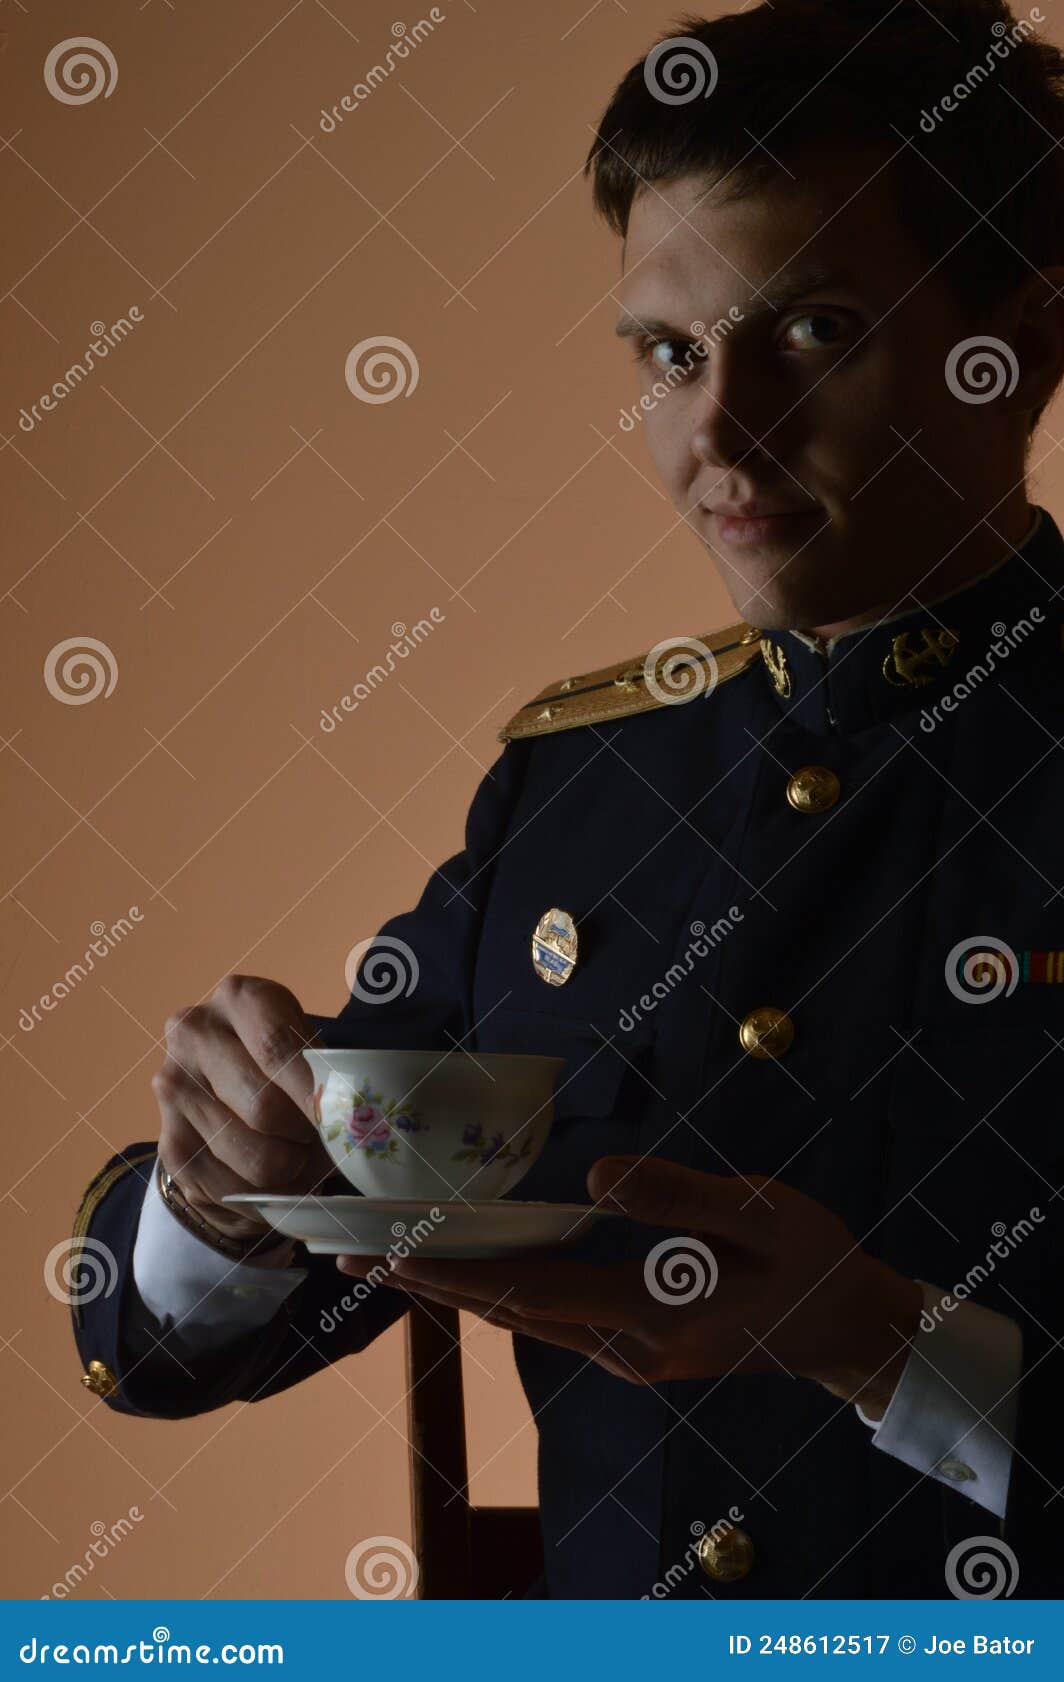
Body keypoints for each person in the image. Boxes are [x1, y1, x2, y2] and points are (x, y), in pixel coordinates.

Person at [69, 0, 1064, 1598]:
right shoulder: (583, 779)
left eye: (814, 330)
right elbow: (157, 1348)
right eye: (671, 354)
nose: (719, 432)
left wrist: (887, 1343)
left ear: (1020, 343)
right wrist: (222, 1192)